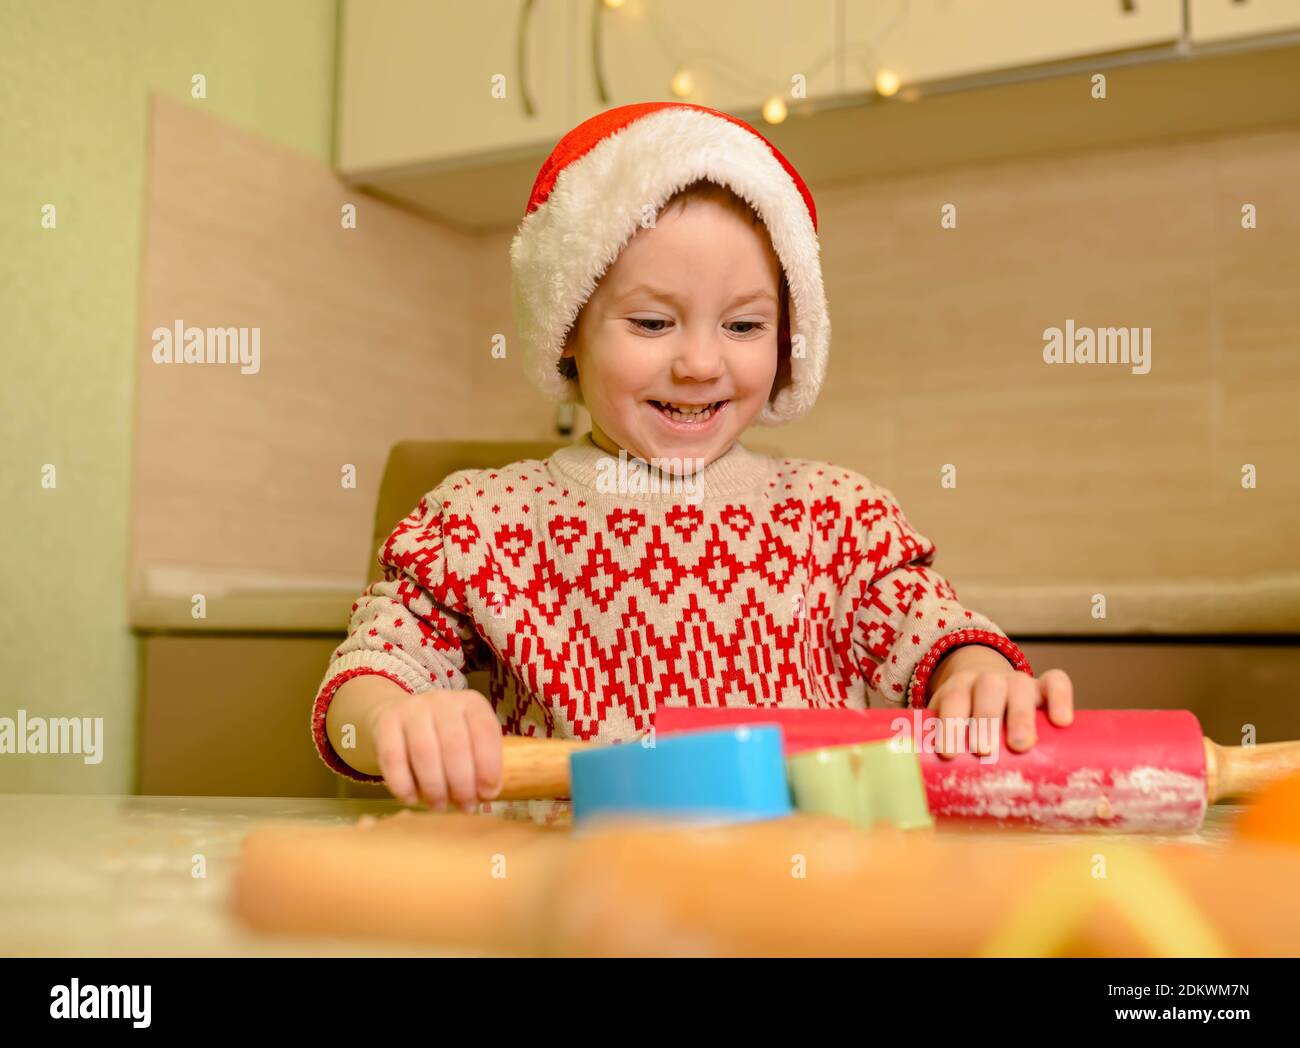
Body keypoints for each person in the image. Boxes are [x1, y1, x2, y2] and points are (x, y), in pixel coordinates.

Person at [311, 102, 1074, 819]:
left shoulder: (838, 518)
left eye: (744, 325)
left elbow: (939, 635)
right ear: (568, 328)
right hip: (577, 908)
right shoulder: (485, 521)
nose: (702, 362)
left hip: (806, 901)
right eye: (652, 321)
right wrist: (398, 720)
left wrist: (975, 674)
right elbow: (366, 680)